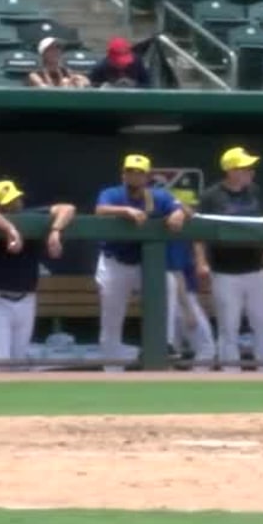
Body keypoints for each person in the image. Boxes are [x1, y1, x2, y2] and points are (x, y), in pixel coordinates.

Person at [92, 154, 187, 371]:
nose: (134, 176)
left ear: (147, 176)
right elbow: (100, 210)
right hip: (114, 263)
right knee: (111, 321)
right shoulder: (113, 193)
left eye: (139, 173)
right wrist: (125, 210)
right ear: (123, 174)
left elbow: (182, 210)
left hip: (144, 266)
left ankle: (165, 342)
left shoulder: (158, 196)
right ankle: (111, 372)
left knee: (168, 281)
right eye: (130, 172)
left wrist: (179, 212)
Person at [0, 180, 75, 371]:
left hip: (26, 300)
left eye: (16, 199)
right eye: (8, 203)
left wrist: (55, 231)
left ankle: (17, 401)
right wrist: (10, 229)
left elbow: (67, 208)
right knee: (0, 362)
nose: (15, 205)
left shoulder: (31, 217)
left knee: (19, 363)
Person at [196, 146, 263, 373]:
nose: (251, 172)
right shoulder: (212, 196)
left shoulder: (256, 192)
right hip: (224, 271)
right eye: (245, 168)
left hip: (254, 269)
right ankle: (231, 375)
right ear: (231, 170)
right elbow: (198, 233)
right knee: (228, 327)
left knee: (262, 324)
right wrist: (201, 262)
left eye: (250, 168)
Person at [165, 192, 216, 369]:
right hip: (179, 300)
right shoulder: (175, 237)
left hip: (180, 299)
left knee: (172, 354)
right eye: (187, 207)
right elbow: (175, 273)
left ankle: (168, 390)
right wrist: (188, 310)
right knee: (206, 348)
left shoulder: (188, 234)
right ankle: (198, 385)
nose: (191, 210)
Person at [88, 37, 152, 88]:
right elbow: (91, 87)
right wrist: (108, 86)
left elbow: (148, 85)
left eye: (126, 62)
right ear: (111, 59)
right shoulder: (100, 68)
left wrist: (135, 85)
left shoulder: (137, 62)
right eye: (119, 63)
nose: (123, 65)